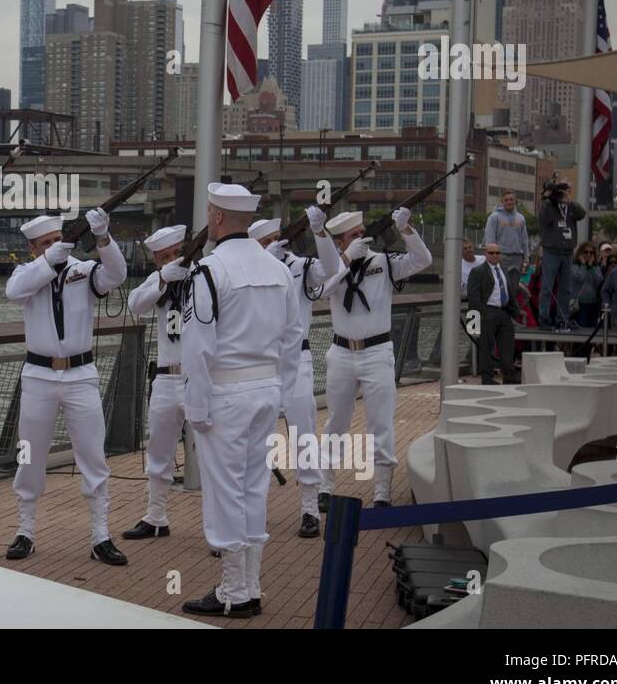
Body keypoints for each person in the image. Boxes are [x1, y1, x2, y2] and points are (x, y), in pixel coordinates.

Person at [179, 184, 301, 618]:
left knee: (225, 492)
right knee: (254, 488)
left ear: (215, 218)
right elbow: (292, 337)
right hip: (266, 388)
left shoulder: (209, 271)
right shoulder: (278, 269)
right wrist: (281, 390)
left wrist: (194, 407)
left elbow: (197, 347)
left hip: (226, 393)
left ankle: (233, 591)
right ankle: (250, 586)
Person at [4, 210, 129, 566]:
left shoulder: (85, 271)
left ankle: (101, 535)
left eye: (57, 239)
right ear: (33, 248)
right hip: (39, 376)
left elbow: (117, 276)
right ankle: (25, 530)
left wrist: (103, 239)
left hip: (80, 374)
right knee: (29, 456)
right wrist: (48, 261)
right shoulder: (25, 274)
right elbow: (14, 292)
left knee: (93, 456)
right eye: (45, 243)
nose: (54, 246)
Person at [311, 204, 432, 508]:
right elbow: (323, 291)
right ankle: (325, 486)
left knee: (381, 423)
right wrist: (345, 258)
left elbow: (422, 260)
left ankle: (382, 492)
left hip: (377, 352)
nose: (363, 239)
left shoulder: (384, 263)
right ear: (340, 242)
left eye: (363, 233)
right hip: (341, 352)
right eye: (355, 236)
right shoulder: (331, 267)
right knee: (336, 421)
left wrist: (406, 230)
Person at [247, 217, 330, 537]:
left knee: (303, 434)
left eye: (276, 238)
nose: (275, 243)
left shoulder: (302, 266)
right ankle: (255, 508)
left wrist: (320, 233)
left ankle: (310, 508)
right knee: (256, 438)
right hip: (261, 360)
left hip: (298, 357)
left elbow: (332, 267)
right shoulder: (251, 271)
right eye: (267, 240)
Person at [123, 225, 189, 541]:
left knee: (211, 454)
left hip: (198, 376)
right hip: (165, 376)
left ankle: (219, 526)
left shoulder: (202, 278)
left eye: (177, 254)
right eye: (164, 257)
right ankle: (156, 517)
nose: (172, 260)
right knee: (159, 451)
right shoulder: (159, 280)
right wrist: (163, 280)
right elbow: (135, 304)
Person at [466, 242, 520, 385]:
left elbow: (509, 290)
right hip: (487, 312)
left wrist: (515, 310)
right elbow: (473, 296)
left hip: (504, 311)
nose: (495, 255)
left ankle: (509, 375)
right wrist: (478, 316)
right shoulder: (478, 271)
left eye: (497, 253)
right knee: (486, 347)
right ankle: (487, 378)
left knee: (507, 346)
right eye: (491, 253)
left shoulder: (503, 269)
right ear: (486, 254)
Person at [537, 178, 586, 330]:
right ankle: (544, 318)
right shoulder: (549, 206)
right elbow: (543, 221)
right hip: (551, 250)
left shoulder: (570, 207)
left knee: (566, 288)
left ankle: (562, 318)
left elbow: (582, 214)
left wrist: (569, 200)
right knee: (547, 287)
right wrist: (547, 198)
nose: (561, 194)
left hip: (568, 252)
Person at [484, 190, 530, 276]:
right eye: (506, 200)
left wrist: (526, 257)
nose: (509, 202)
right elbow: (490, 239)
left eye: (511, 199)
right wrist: (492, 256)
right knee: (501, 286)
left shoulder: (521, 218)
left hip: (517, 258)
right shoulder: (494, 217)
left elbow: (525, 239)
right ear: (502, 202)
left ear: (515, 201)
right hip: (501, 257)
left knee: (513, 287)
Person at [569, 242, 602, 330]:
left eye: (591, 252)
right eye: (586, 252)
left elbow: (599, 281)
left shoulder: (596, 267)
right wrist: (583, 265)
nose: (589, 254)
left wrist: (591, 267)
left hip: (593, 304)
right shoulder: (574, 266)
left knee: (591, 330)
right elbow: (581, 278)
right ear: (580, 253)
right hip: (579, 305)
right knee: (581, 330)